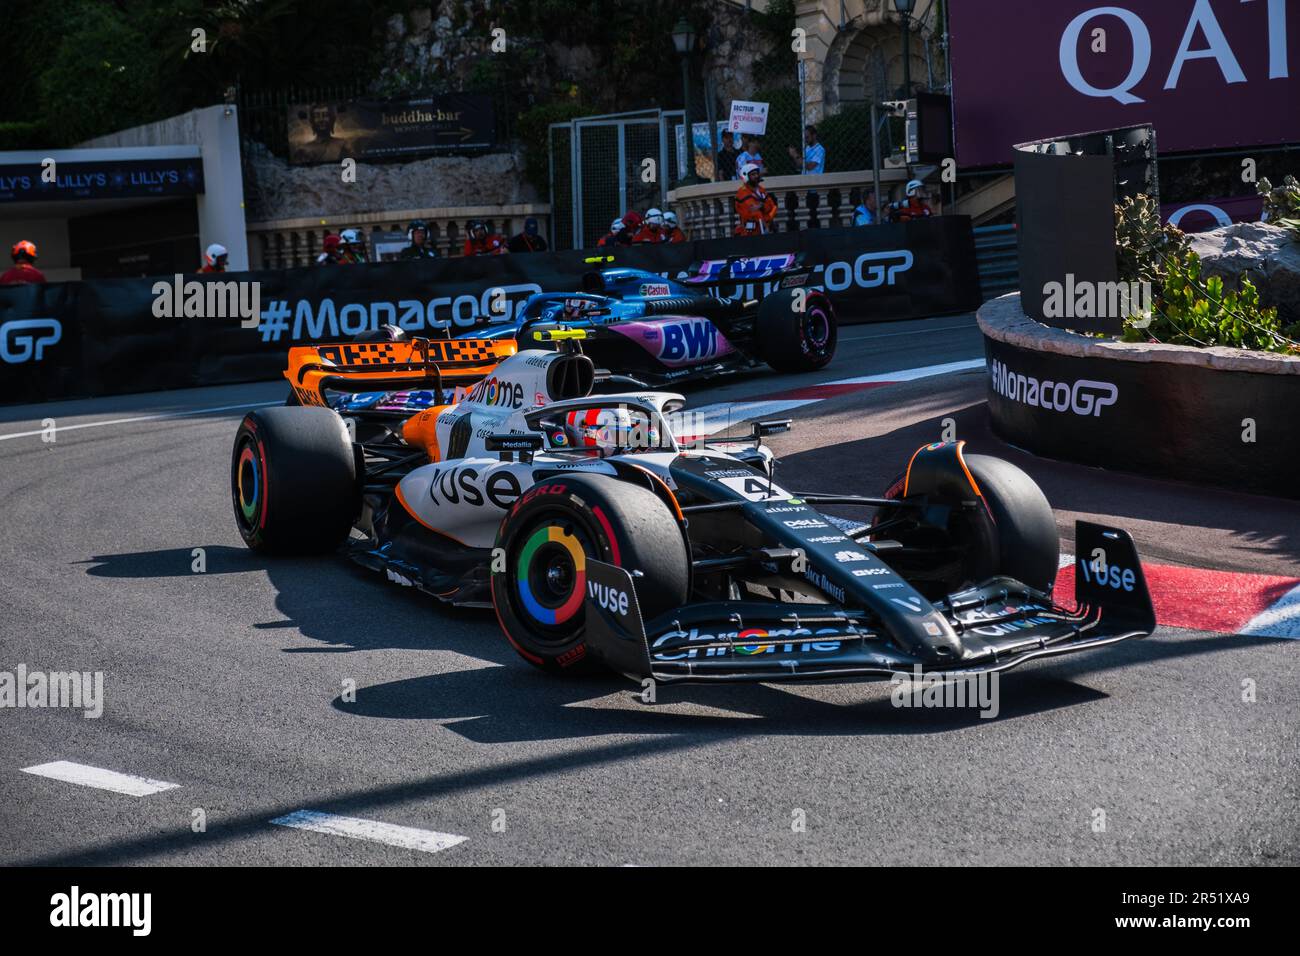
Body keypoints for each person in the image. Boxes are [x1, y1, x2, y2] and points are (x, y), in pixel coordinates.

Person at [734, 163, 777, 237]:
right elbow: (754, 212)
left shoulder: (761, 190)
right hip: (750, 232)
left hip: (766, 227)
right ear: (746, 176)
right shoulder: (742, 192)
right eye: (753, 175)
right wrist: (765, 226)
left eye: (757, 174)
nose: (756, 176)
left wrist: (761, 206)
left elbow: (772, 207)